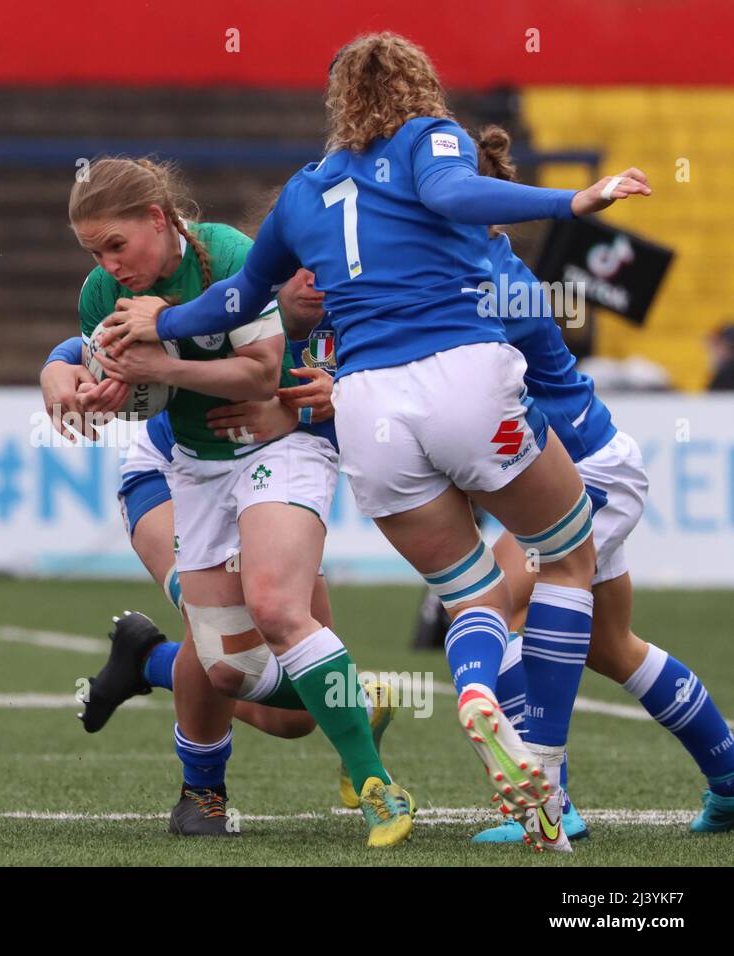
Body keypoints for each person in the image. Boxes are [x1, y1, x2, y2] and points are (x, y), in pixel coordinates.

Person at [99, 33, 652, 852]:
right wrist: (571, 202)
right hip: (458, 374)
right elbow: (458, 194)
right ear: (421, 86)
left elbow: (237, 301)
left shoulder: (303, 191)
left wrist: (165, 324)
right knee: (565, 554)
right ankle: (544, 766)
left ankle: (475, 691)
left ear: (337, 103)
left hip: (365, 409)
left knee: (470, 591)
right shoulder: (432, 138)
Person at [55, 157, 412, 846]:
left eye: (115, 246)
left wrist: (306, 411)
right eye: (95, 251)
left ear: (158, 219)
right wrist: (79, 382)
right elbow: (93, 355)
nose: (107, 264)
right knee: (233, 670)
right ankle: (349, 706)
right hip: (183, 465)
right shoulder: (108, 289)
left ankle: (371, 786)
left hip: (279, 457)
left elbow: (261, 375)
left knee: (280, 613)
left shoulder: (250, 267)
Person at [463, 127, 734, 840]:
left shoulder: (490, 281)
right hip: (579, 465)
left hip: (583, 472)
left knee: (498, 608)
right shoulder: (477, 266)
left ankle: (551, 802)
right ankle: (731, 777)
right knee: (612, 648)